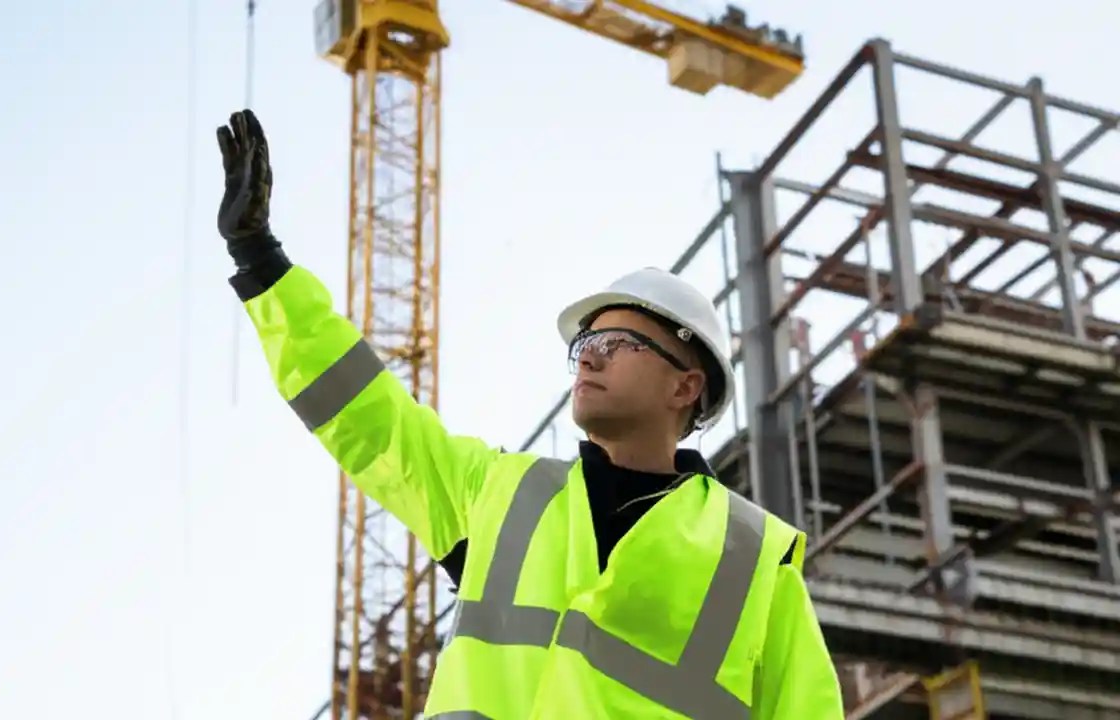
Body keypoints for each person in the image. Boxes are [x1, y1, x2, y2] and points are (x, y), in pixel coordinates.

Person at [216, 108, 844, 719]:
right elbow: (366, 412)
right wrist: (260, 260)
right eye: (583, 347)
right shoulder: (497, 493)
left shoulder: (755, 560)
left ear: (685, 386)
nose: (588, 362)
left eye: (613, 345)